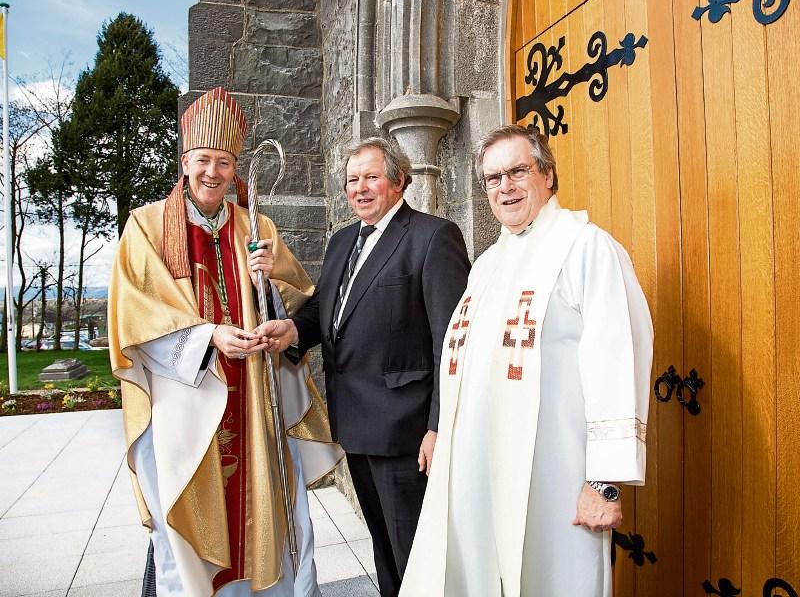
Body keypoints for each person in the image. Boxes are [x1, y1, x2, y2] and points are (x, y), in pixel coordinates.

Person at [399, 124, 654, 597]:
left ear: (548, 175)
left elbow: (618, 362)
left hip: (554, 475)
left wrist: (604, 482)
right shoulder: (487, 264)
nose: (506, 187)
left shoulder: (586, 248)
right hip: (478, 472)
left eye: (518, 171)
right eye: (493, 179)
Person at [108, 86, 343, 597]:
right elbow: (135, 315)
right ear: (184, 162)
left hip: (254, 400)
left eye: (223, 162)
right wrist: (208, 336)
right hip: (186, 403)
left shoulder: (256, 226)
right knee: (188, 525)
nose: (212, 172)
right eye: (202, 160)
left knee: (265, 508)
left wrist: (267, 282)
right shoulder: (146, 227)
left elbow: (297, 307)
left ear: (236, 168)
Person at [259, 137, 470, 597]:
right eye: (352, 180)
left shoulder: (433, 237)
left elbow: (452, 343)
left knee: (418, 555)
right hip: (355, 424)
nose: (360, 188)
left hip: (408, 433)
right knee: (385, 550)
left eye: (371, 177)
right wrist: (291, 331)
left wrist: (439, 427)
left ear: (398, 181)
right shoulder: (341, 242)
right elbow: (326, 312)